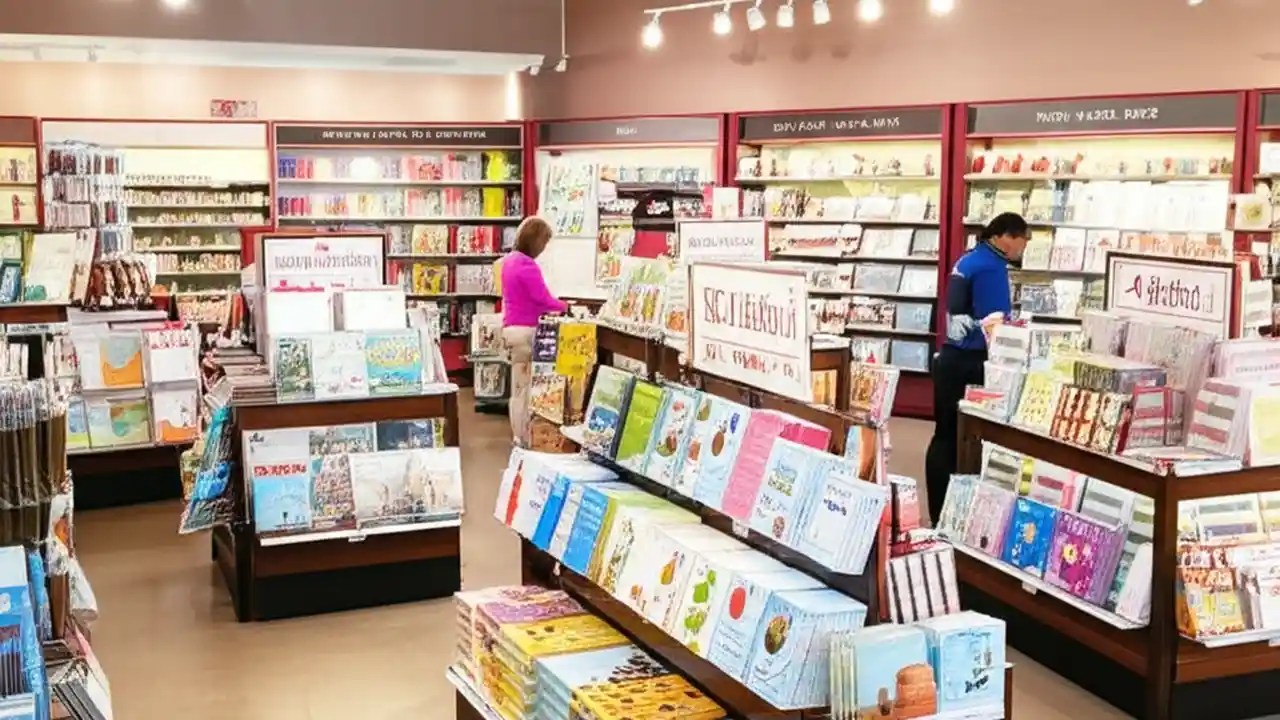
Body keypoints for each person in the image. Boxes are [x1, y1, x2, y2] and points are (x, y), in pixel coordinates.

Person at [924, 212, 1028, 523]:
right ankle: (960, 516)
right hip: (973, 363)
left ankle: (938, 510)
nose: (1024, 248)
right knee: (971, 440)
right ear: (1005, 237)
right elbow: (995, 324)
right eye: (1023, 240)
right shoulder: (991, 267)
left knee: (944, 435)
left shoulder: (968, 260)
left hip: (949, 358)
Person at [501, 216, 568, 447]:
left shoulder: (509, 261)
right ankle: (527, 437)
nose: (543, 249)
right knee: (529, 388)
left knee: (518, 388)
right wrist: (565, 306)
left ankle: (518, 436)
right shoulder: (527, 265)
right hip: (527, 332)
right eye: (544, 243)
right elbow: (542, 298)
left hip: (511, 329)